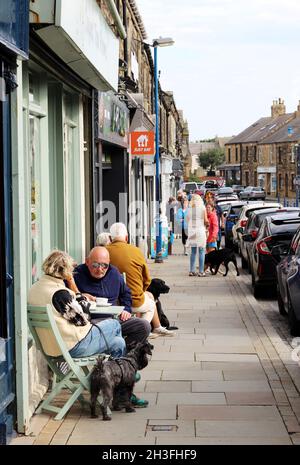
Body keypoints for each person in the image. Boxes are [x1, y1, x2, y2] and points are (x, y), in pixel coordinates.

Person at [27, 250, 126, 360]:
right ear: (66, 271)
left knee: (118, 343)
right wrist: (75, 289)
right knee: (115, 324)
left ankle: (113, 374)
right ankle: (115, 371)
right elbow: (84, 320)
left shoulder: (34, 288)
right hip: (72, 347)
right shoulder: (60, 294)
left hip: (51, 347)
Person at [72, 246, 151, 348]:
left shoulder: (114, 273)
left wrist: (126, 309)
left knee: (144, 326)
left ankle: (122, 357)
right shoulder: (77, 274)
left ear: (109, 262)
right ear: (87, 261)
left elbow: (126, 293)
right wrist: (81, 295)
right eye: (95, 265)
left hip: (113, 320)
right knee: (113, 334)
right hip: (89, 324)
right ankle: (114, 351)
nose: (100, 269)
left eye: (104, 265)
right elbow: (65, 294)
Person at [106, 222, 174, 337]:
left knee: (150, 297)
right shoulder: (136, 251)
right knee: (151, 304)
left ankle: (155, 327)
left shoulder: (104, 252)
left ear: (109, 238)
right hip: (134, 300)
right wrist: (140, 291)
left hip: (110, 300)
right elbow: (147, 280)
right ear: (126, 237)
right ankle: (142, 328)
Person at [186, 194, 208, 277]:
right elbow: (206, 220)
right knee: (201, 251)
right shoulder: (203, 208)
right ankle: (201, 271)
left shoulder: (189, 209)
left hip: (192, 230)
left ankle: (192, 270)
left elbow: (187, 220)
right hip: (200, 230)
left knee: (193, 252)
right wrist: (207, 224)